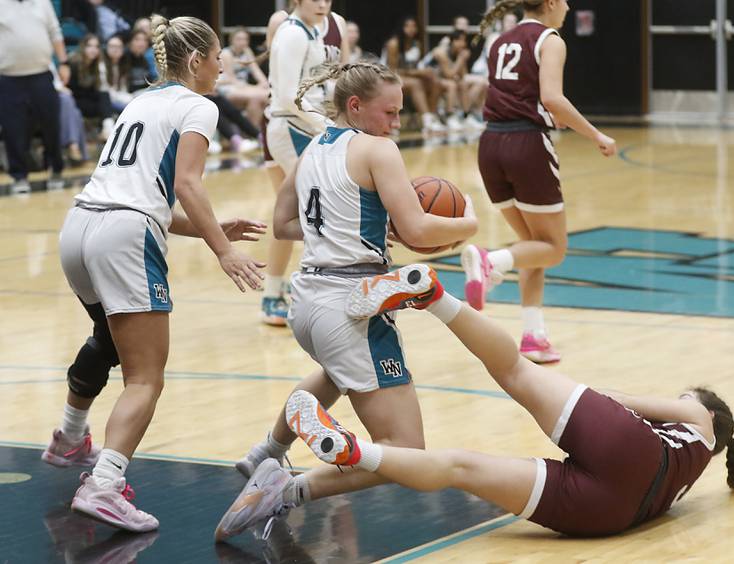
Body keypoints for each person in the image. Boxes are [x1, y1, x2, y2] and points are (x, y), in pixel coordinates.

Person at [285, 264, 734, 537]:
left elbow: (620, 399)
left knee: (515, 370)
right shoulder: (698, 466)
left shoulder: (699, 418)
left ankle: (432, 294)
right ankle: (351, 451)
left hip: (633, 449)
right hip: (611, 514)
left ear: (708, 411)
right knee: (457, 468)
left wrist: (586, 400)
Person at [214, 62, 478, 542]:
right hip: (352, 304)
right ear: (356, 106)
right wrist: (468, 225)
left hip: (309, 300)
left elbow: (283, 224)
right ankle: (289, 490)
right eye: (390, 112)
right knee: (407, 452)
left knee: (339, 370)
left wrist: (342, 232)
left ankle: (268, 449)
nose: (395, 123)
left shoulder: (315, 145)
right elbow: (418, 230)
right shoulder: (378, 149)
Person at [41, 14, 267, 533]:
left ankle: (71, 436)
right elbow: (187, 182)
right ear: (196, 61)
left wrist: (210, 229)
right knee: (145, 376)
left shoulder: (141, 102)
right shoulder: (197, 106)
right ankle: (104, 484)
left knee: (110, 338)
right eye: (216, 56)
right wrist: (222, 249)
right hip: (123, 236)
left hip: (79, 226)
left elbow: (137, 192)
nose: (221, 65)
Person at [461, 0, 617, 363]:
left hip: (491, 143)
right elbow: (552, 97)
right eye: (563, 0)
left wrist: (543, 112)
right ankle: (490, 260)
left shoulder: (502, 40)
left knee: (533, 244)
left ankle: (534, 336)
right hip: (526, 145)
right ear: (549, 3)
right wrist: (595, 135)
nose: (567, 6)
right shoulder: (551, 40)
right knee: (555, 247)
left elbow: (516, 94)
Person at [259, 0, 332, 326]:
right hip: (291, 126)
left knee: (304, 211)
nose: (322, 3)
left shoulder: (316, 29)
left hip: (305, 124)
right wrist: (327, 125)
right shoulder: (292, 33)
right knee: (317, 209)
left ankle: (295, 289)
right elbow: (288, 96)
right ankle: (309, 291)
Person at [0, 0, 68, 193]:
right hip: (8, 78)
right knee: (13, 129)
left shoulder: (42, 2)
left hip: (41, 74)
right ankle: (19, 177)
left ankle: (56, 169)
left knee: (51, 124)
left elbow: (55, 31)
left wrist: (64, 63)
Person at [383, 17, 445, 133]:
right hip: (391, 78)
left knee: (435, 81)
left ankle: (432, 117)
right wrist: (418, 73)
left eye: (414, 26)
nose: (411, 29)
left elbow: (416, 67)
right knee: (416, 83)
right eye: (408, 26)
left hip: (409, 77)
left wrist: (425, 72)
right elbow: (392, 71)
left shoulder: (417, 44)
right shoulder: (393, 44)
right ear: (401, 28)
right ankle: (427, 121)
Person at [420, 30, 487, 131]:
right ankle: (450, 116)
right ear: (452, 41)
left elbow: (462, 75)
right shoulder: (441, 52)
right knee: (452, 85)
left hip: (441, 79)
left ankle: (465, 115)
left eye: (464, 41)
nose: (463, 44)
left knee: (463, 84)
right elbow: (449, 75)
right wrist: (461, 59)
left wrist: (462, 60)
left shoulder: (458, 53)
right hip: (426, 78)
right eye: (459, 40)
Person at [217, 28, 270, 130]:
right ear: (232, 40)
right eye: (239, 39)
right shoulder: (226, 54)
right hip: (227, 88)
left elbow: (256, 71)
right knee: (259, 95)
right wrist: (255, 88)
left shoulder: (247, 51)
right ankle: (253, 133)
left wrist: (265, 83)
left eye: (245, 39)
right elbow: (232, 80)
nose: (243, 42)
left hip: (242, 87)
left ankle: (254, 133)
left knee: (263, 96)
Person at [67, 34, 116, 140]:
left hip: (89, 101)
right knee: (104, 100)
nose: (93, 50)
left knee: (105, 95)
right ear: (83, 47)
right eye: (89, 46)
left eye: (96, 46)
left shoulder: (97, 65)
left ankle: (107, 129)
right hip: (75, 101)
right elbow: (69, 89)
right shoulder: (73, 63)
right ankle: (108, 128)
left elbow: (99, 88)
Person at [104, 35, 133, 113]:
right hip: (108, 100)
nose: (115, 49)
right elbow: (106, 91)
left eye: (119, 47)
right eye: (112, 46)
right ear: (106, 48)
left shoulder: (123, 65)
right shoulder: (102, 65)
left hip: (121, 96)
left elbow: (124, 88)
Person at [125, 29, 157, 95]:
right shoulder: (123, 58)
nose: (141, 43)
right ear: (130, 42)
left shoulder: (147, 59)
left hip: (145, 95)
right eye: (137, 39)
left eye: (145, 40)